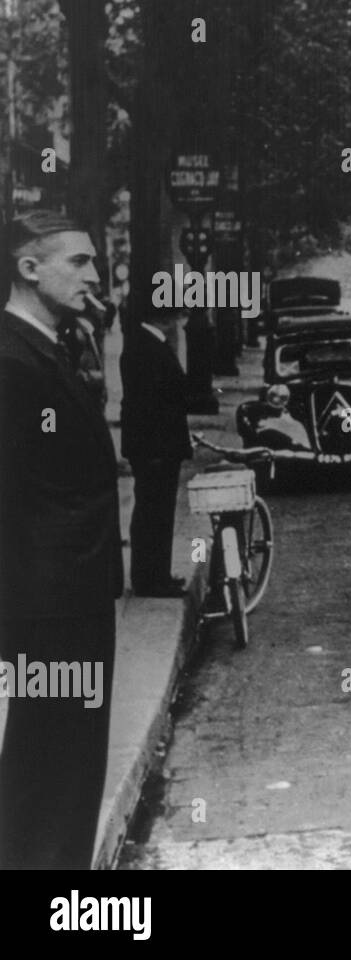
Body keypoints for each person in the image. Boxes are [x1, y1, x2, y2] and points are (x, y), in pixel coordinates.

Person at [0, 211, 122, 868]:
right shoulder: (12, 362)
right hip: (46, 606)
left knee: (64, 768)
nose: (94, 276)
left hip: (70, 595)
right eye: (78, 262)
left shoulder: (49, 348)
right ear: (28, 267)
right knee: (52, 770)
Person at [121, 302, 193, 597]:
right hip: (156, 447)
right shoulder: (147, 348)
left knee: (157, 512)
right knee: (154, 513)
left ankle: (156, 574)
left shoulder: (144, 343)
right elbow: (152, 404)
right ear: (165, 317)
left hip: (155, 445)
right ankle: (151, 579)